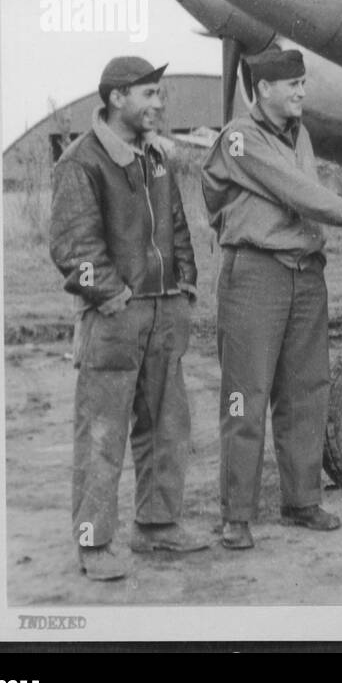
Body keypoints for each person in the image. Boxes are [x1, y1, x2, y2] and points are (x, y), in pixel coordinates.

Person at [201, 46, 342, 550]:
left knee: (306, 392)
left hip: (304, 274)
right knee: (245, 395)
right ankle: (237, 515)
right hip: (256, 274)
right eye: (290, 84)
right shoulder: (239, 139)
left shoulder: (301, 134)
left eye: (302, 82)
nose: (301, 91)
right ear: (263, 89)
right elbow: (297, 191)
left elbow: (298, 194)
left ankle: (302, 500)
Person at [50, 56, 207, 581]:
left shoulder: (154, 157)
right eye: (150, 94)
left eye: (160, 94)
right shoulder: (81, 161)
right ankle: (94, 547)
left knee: (167, 426)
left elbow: (176, 223)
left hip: (165, 312)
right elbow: (74, 248)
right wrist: (112, 296)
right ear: (117, 98)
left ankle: (158, 528)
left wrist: (184, 281)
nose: (160, 104)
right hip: (114, 317)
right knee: (101, 433)